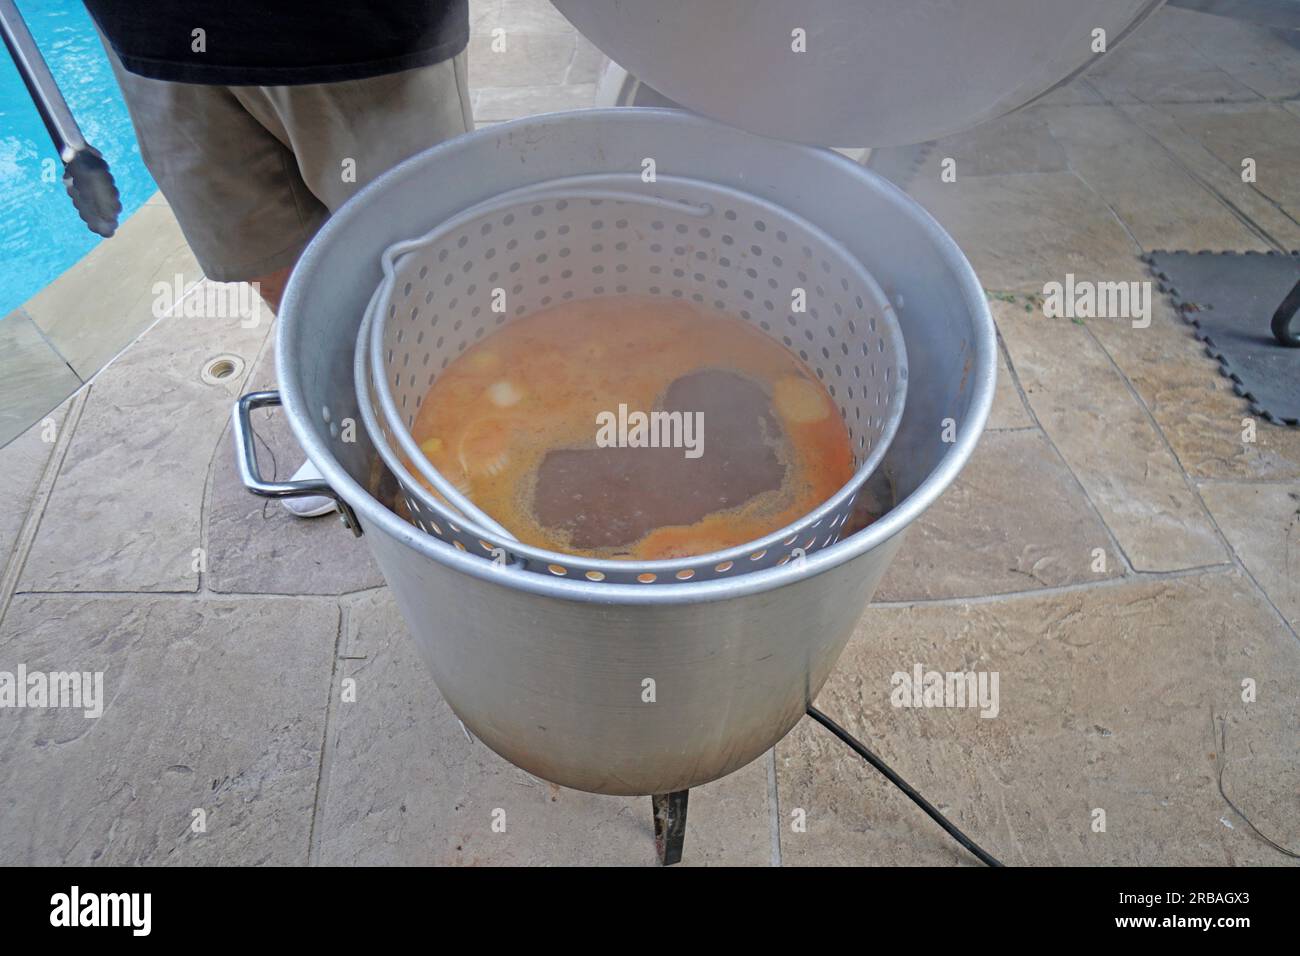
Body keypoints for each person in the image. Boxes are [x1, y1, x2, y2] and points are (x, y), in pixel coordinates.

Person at [87, 0, 473, 515]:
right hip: (155, 39)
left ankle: (465, 445)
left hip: (362, 39)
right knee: (277, 272)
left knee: (427, 277)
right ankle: (353, 431)